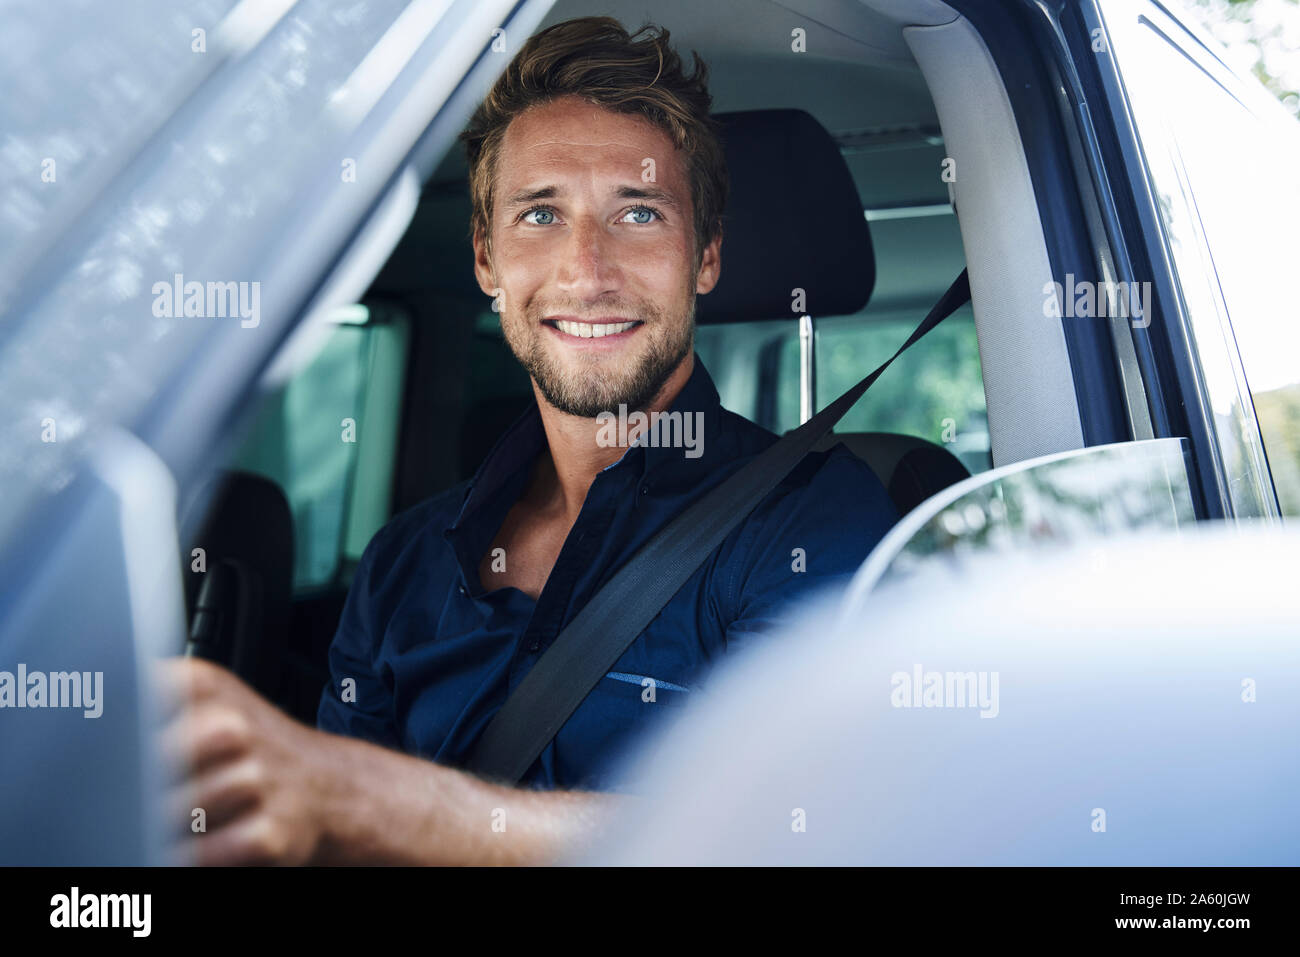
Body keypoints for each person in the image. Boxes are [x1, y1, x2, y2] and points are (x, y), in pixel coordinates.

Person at [158, 15, 898, 866]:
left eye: (639, 212)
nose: (587, 270)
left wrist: (353, 792)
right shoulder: (405, 561)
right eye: (541, 214)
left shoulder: (810, 522)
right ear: (486, 260)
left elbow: (792, 832)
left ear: (705, 257)